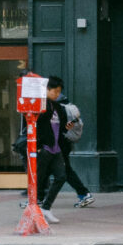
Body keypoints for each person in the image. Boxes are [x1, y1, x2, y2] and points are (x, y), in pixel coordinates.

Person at [38, 76, 90, 212]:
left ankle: (45, 207)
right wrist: (38, 147)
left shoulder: (58, 107)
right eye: (54, 91)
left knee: (61, 176)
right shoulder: (40, 106)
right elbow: (34, 126)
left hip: (56, 148)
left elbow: (61, 128)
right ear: (47, 90)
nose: (56, 94)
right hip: (44, 148)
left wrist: (69, 125)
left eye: (58, 92)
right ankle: (39, 204)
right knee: (41, 177)